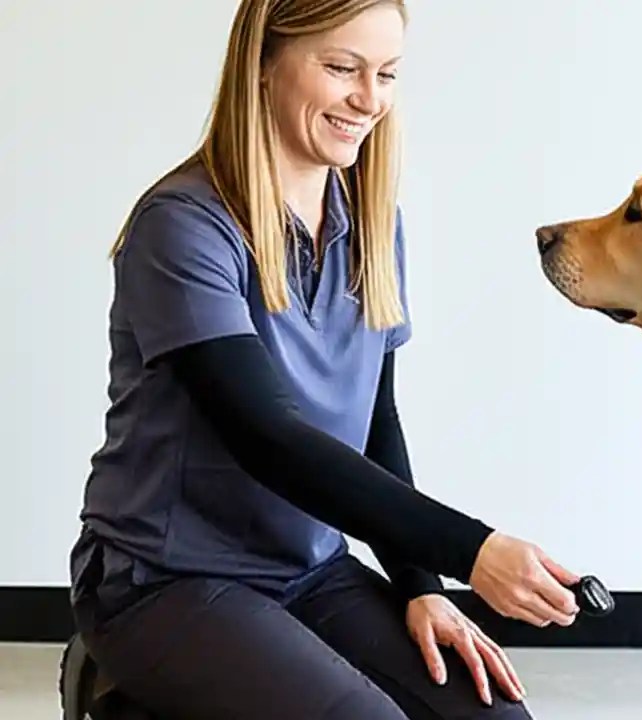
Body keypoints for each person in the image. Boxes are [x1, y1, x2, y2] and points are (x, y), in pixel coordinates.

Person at [66, 2, 580, 718]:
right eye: (342, 68)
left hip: (308, 571)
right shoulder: (182, 227)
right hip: (165, 579)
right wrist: (474, 552)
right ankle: (119, 690)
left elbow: (376, 417)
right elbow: (268, 438)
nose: (369, 99)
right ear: (265, 64)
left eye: (387, 73)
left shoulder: (371, 223)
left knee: (495, 716)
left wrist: (422, 585)